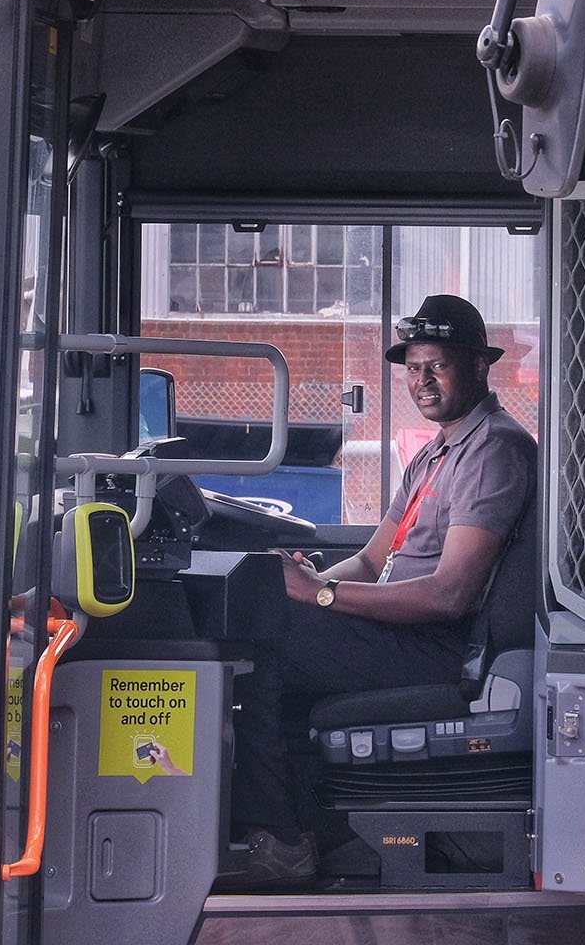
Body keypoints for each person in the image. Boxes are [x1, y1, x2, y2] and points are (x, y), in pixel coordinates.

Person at [224, 294, 536, 889]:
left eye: (437, 365)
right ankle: (304, 826)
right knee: (261, 619)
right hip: (396, 630)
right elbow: (371, 559)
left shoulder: (494, 450)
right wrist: (303, 584)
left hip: (439, 646)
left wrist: (318, 597)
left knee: (259, 652)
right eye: (413, 368)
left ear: (477, 366)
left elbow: (449, 596)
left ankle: (281, 842)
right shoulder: (438, 453)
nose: (421, 380)